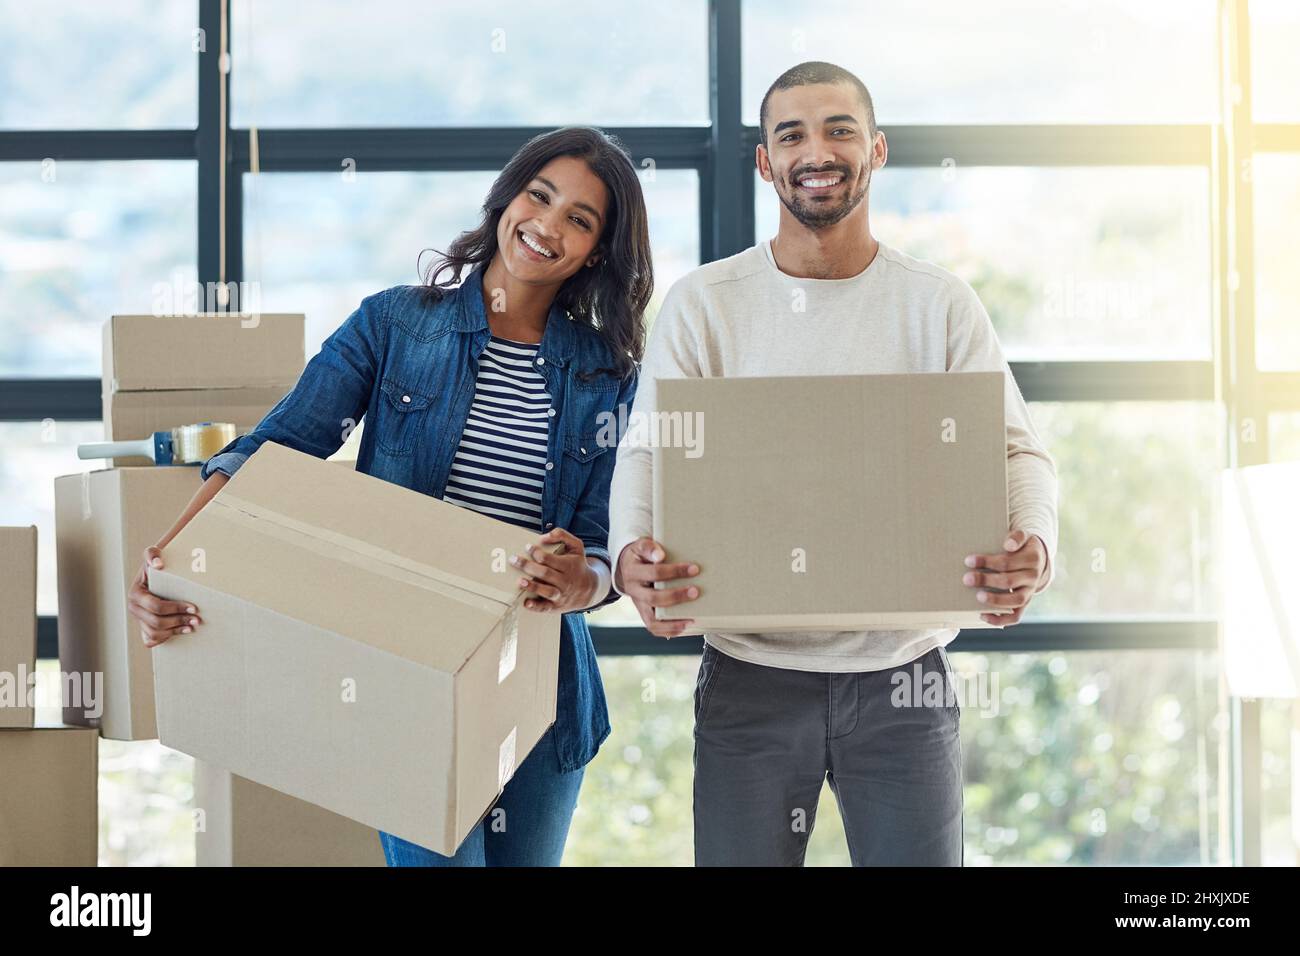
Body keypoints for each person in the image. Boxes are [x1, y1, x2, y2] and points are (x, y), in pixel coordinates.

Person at [127, 126, 650, 867]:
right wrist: (167, 565)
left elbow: (602, 545)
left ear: (595, 250)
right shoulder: (397, 324)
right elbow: (275, 449)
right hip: (404, 675)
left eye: (580, 218)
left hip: (541, 689)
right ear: (509, 198)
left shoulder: (607, 373)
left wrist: (582, 581)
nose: (548, 225)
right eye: (540, 196)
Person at [607, 62, 1060, 866]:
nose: (817, 150)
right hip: (749, 673)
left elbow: (1013, 447)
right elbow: (650, 449)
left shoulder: (938, 303)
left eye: (839, 129)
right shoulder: (705, 305)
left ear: (876, 150)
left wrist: (1035, 545)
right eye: (792, 134)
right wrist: (631, 553)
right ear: (764, 162)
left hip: (902, 678)